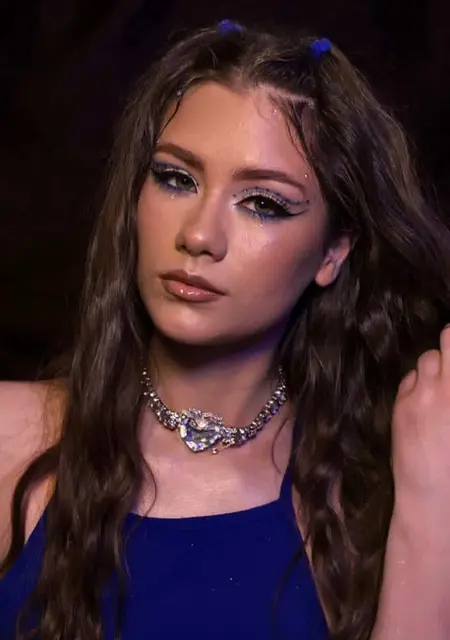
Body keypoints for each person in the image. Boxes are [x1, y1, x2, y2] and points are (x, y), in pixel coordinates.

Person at [1, 18, 450, 640]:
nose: (199, 235)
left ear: (333, 253)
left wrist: (429, 509)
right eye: (175, 178)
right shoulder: (11, 437)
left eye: (262, 203)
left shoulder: (368, 493)